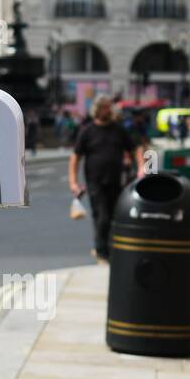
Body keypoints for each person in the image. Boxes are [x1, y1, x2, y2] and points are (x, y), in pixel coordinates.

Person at [69, 95, 143, 261]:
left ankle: (107, 247)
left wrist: (141, 168)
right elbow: (75, 157)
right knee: (102, 216)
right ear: (97, 110)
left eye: (109, 107)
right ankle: (102, 251)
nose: (108, 110)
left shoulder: (118, 130)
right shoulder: (87, 131)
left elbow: (135, 149)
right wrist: (73, 182)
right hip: (95, 182)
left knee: (113, 215)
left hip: (116, 180)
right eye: (104, 107)